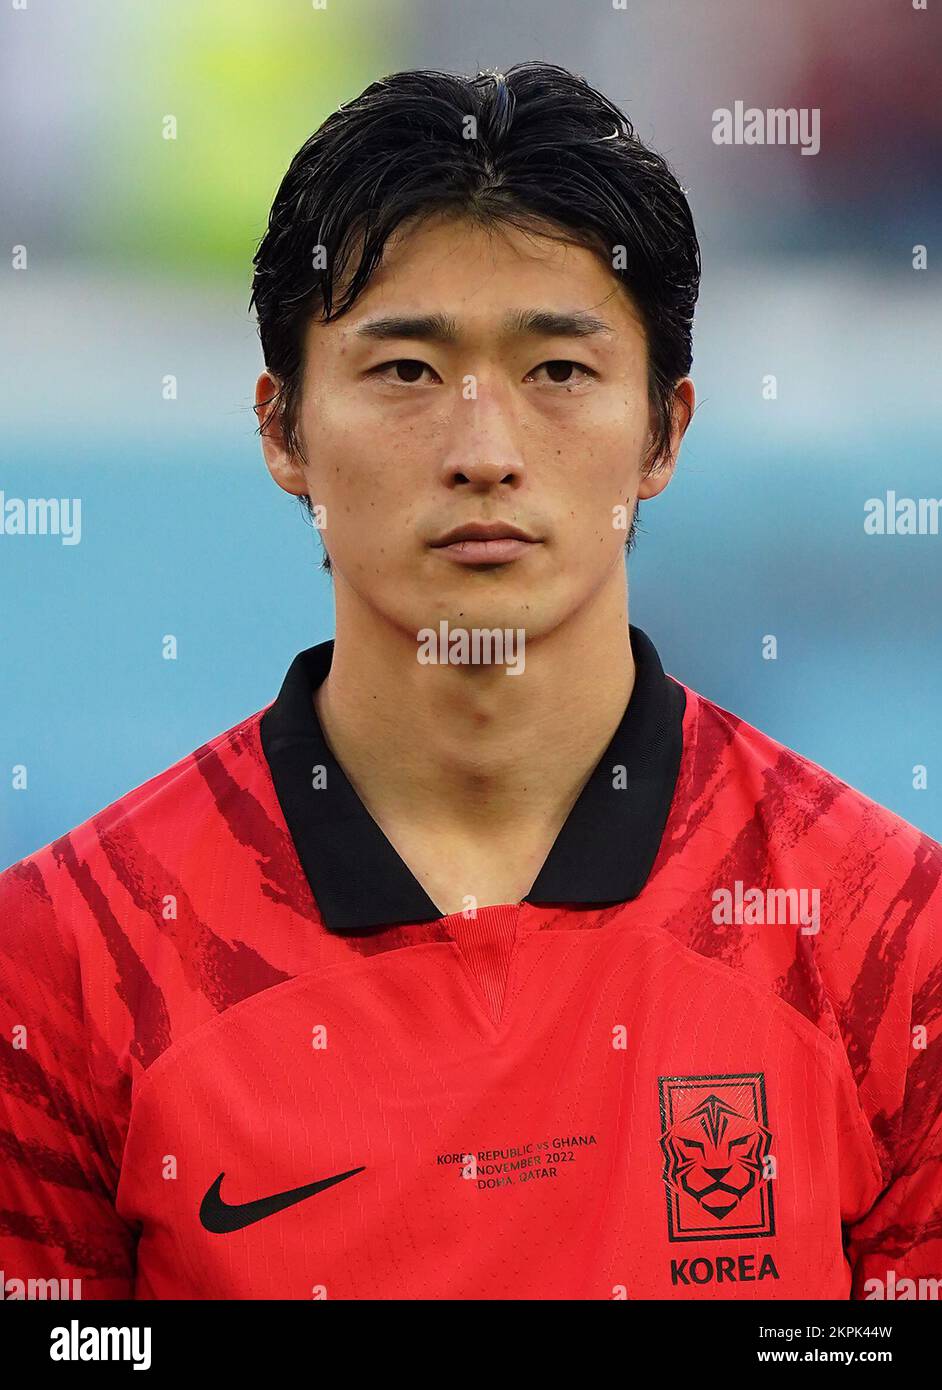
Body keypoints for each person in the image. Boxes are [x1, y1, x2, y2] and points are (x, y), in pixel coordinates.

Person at [0, 62, 939, 1301]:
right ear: (282, 429)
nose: (484, 453)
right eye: (406, 373)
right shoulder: (65, 962)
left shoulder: (892, 940)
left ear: (664, 430)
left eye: (558, 371)